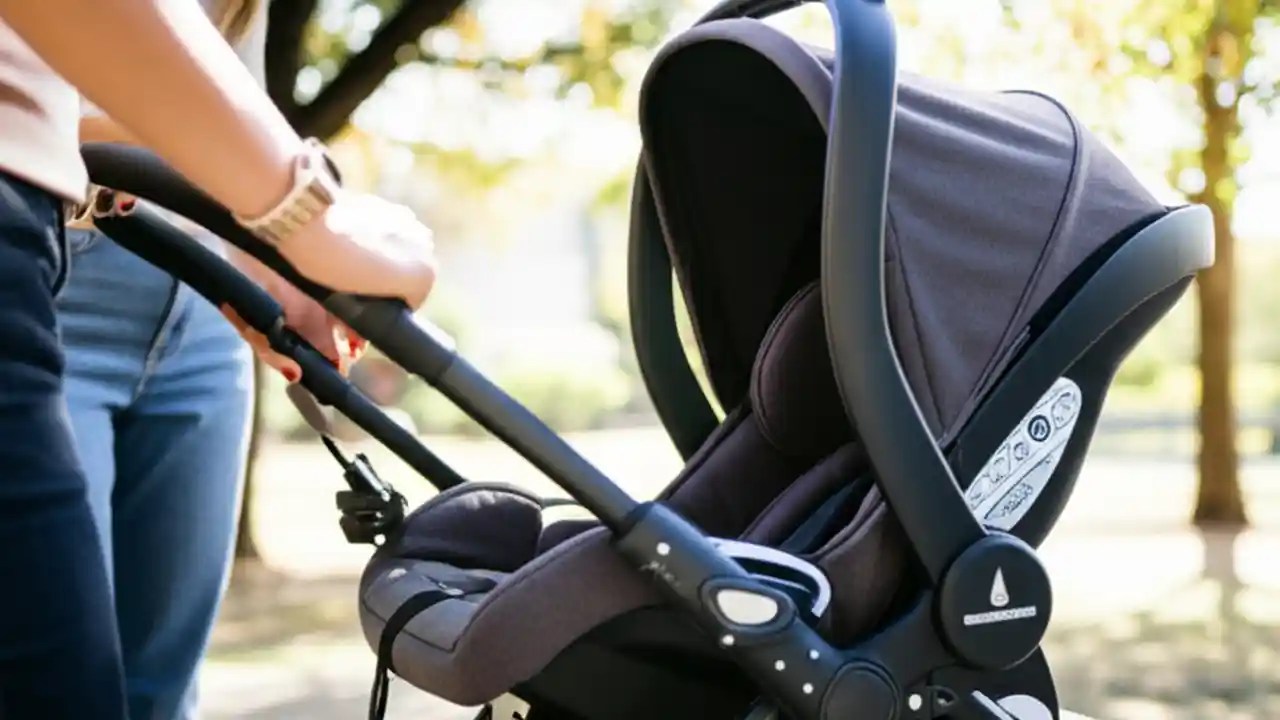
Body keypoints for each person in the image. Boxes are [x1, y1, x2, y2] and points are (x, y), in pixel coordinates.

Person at [0, 1, 436, 718]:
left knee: (161, 692)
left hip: (194, 299)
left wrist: (266, 263)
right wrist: (307, 216)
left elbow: (229, 96)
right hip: (56, 282)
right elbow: (77, 77)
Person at [58, 2, 279, 718]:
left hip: (200, 311)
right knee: (59, 672)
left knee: (165, 689)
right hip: (48, 296)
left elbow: (247, 109)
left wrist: (282, 276)